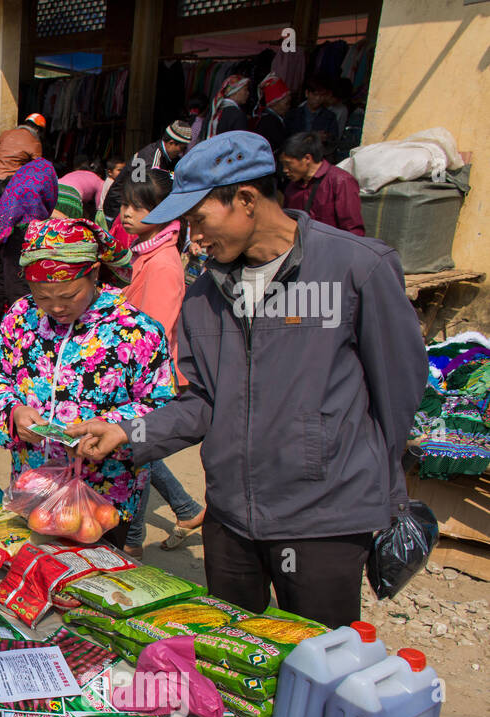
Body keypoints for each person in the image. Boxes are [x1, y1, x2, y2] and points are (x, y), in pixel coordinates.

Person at [67, 132, 428, 628]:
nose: (193, 236)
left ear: (246, 200)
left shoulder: (356, 269)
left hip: (323, 520)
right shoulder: (205, 295)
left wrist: (383, 496)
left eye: (198, 219)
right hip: (231, 518)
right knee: (233, 656)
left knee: (319, 661)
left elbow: (398, 392)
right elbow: (201, 401)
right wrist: (130, 432)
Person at [0, 218, 175, 548]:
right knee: (35, 575)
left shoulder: (137, 330)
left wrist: (111, 427)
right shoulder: (21, 316)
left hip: (104, 495)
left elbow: (162, 406)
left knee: (95, 581)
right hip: (33, 485)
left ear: (95, 272)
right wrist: (13, 410)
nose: (56, 307)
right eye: (43, 296)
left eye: (69, 295)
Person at [118, 169, 204, 556]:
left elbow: (152, 332)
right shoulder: (147, 253)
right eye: (124, 205)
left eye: (139, 207)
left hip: (148, 376)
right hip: (139, 372)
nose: (127, 214)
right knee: (136, 444)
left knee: (136, 449)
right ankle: (186, 509)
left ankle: (132, 542)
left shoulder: (164, 264)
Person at [0, 158, 58, 343]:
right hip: (22, 330)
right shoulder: (35, 234)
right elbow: (16, 291)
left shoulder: (4, 228)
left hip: (3, 323)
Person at [101, 121, 191, 223]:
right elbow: (149, 191)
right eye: (182, 148)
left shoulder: (169, 158)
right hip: (119, 208)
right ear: (171, 143)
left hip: (133, 205)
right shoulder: (152, 159)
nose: (182, 152)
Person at [280, 132, 364, 236]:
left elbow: (353, 230)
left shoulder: (341, 181)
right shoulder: (292, 187)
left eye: (288, 164)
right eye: (283, 165)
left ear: (307, 158)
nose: (285, 170)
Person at [0, 114, 45, 218]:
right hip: (11, 182)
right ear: (38, 130)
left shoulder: (6, 134)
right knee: (8, 217)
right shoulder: (35, 142)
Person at [286, 76, 340, 154]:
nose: (318, 98)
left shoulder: (330, 117)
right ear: (307, 93)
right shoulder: (293, 115)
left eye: (321, 95)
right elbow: (287, 140)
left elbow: (333, 143)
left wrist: (326, 138)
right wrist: (313, 137)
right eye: (315, 95)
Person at [252, 74, 292, 156]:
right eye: (286, 104)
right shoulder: (270, 121)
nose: (289, 107)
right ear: (274, 103)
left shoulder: (270, 118)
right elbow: (284, 144)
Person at [58, 156, 105, 220]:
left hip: (54, 189)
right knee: (72, 224)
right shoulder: (99, 181)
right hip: (72, 194)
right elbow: (99, 207)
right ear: (100, 175)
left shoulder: (74, 173)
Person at [206, 76, 250, 140]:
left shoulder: (214, 111)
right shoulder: (237, 115)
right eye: (245, 90)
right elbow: (240, 143)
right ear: (235, 92)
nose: (248, 93)